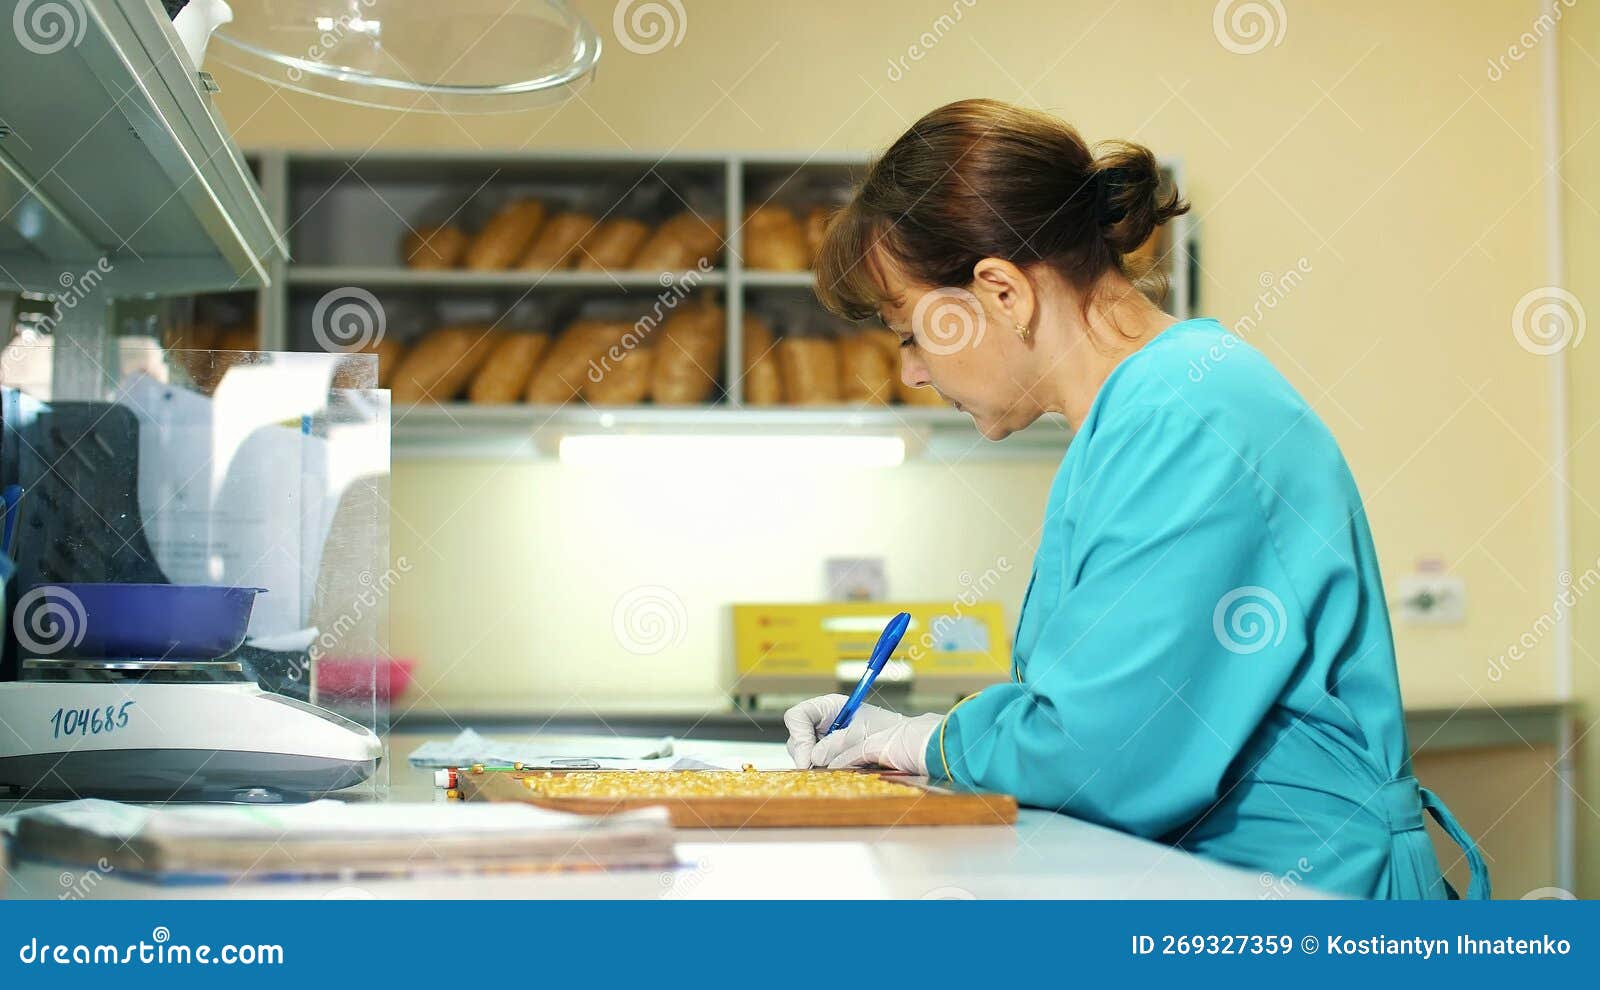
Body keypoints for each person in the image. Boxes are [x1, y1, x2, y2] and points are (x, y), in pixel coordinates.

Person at [782, 98, 1488, 899]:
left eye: (908, 330)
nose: (910, 371)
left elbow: (1106, 755)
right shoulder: (1137, 416)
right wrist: (915, 736)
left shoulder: (1187, 415)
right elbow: (1108, 701)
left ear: (1003, 292)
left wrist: (929, 742)